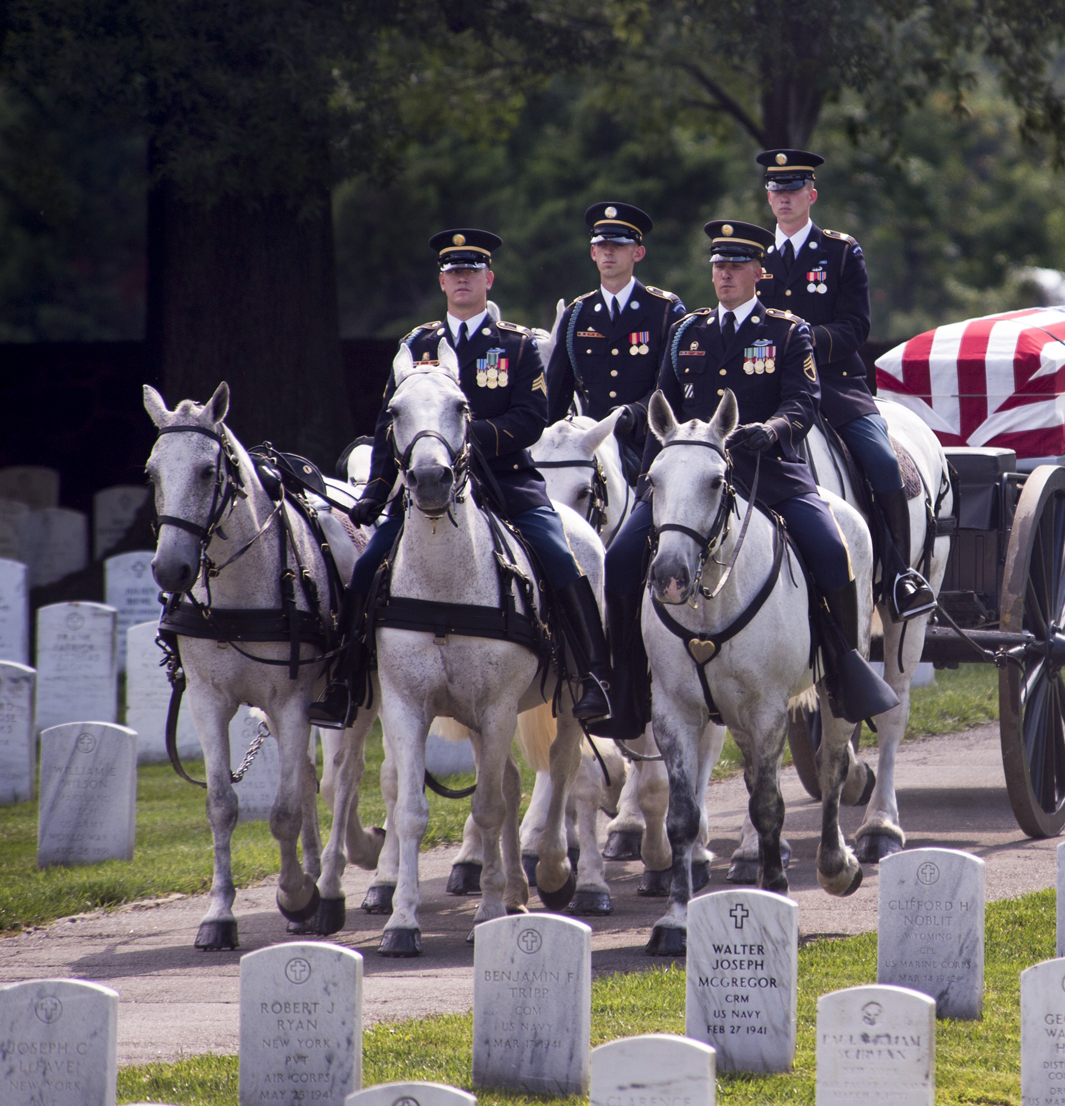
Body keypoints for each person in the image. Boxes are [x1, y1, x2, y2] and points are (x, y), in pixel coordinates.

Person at [600, 220, 896, 739]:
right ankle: (624, 681)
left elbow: (804, 403)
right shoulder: (686, 332)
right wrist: (651, 478)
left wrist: (774, 429)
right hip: (691, 481)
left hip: (771, 470)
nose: (726, 275)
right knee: (621, 558)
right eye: (719, 266)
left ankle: (845, 669)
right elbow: (659, 409)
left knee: (830, 550)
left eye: (737, 266)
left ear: (759, 272)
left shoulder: (787, 331)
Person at [315, 228, 614, 729]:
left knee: (562, 557)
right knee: (367, 567)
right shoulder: (417, 346)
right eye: (453, 272)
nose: (461, 280)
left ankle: (593, 675)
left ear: (488, 280)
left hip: (506, 480)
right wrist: (374, 492)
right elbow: (391, 425)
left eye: (471, 272)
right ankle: (345, 681)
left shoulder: (517, 346)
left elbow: (531, 417)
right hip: (429, 486)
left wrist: (468, 440)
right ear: (441, 281)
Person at [754, 149, 933, 619]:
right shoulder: (753, 257)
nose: (785, 198)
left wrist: (800, 340)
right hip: (767, 389)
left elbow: (856, 327)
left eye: (794, 190)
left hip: (835, 384)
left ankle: (897, 573)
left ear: (811, 194)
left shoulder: (840, 251)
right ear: (768, 196)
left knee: (881, 461)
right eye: (777, 189)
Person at [544, 202, 686, 484]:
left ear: (638, 253)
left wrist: (636, 413)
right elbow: (557, 395)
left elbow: (671, 386)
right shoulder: (577, 315)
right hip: (589, 449)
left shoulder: (664, 310)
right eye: (602, 244)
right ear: (593, 252)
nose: (609, 251)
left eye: (619, 245)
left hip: (646, 446)